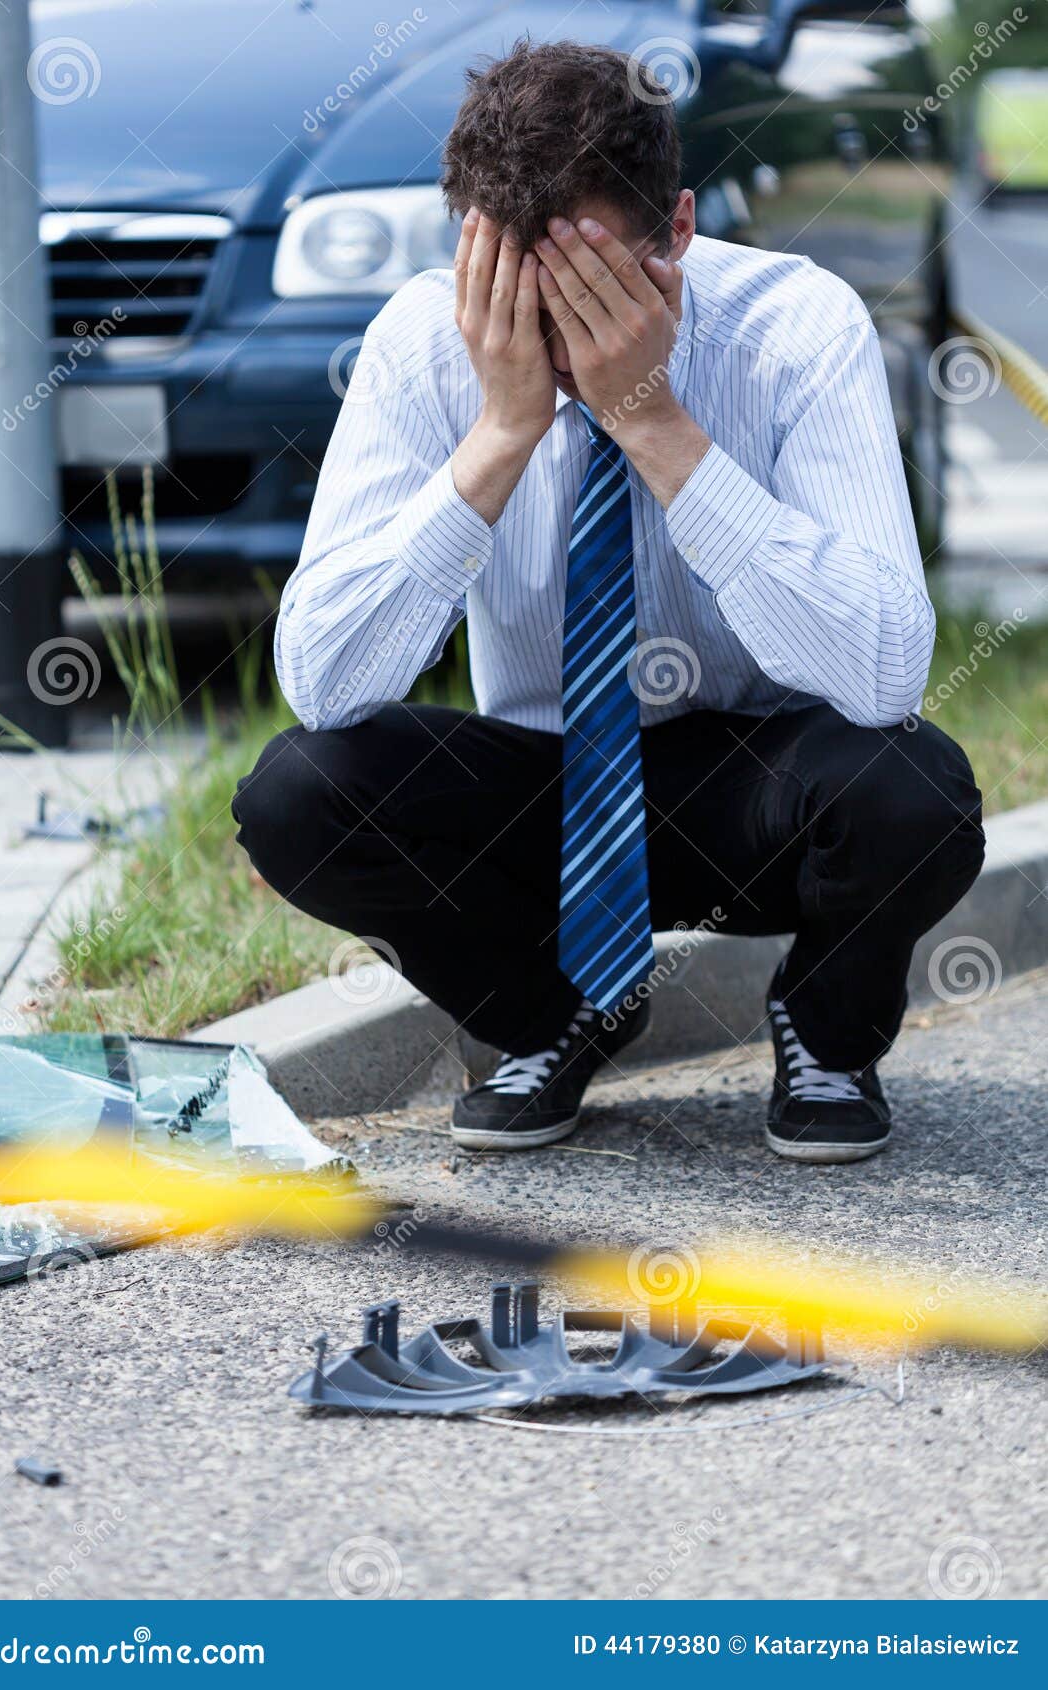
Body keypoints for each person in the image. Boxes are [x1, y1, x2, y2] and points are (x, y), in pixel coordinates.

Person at [234, 39, 984, 1165]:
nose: (565, 344)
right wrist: (497, 435)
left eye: (598, 295)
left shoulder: (794, 327)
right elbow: (325, 684)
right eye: (530, 303)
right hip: (550, 787)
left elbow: (884, 673)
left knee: (914, 790)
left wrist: (655, 425)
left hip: (755, 790)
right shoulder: (423, 342)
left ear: (675, 230)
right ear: (472, 253)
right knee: (296, 793)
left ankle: (825, 1032)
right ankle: (549, 1015)